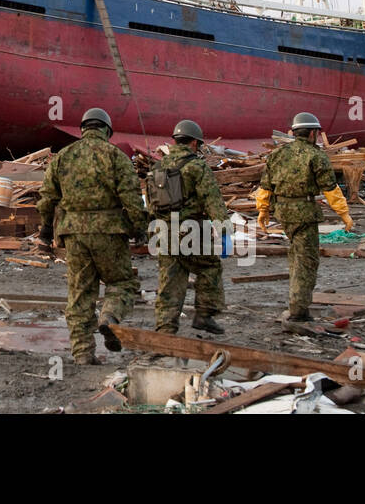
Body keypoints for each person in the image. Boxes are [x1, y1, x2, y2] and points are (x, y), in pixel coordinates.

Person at [37, 107, 146, 364]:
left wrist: (45, 230)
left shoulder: (63, 157)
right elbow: (131, 197)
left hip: (73, 234)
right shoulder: (116, 157)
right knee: (122, 284)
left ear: (83, 128)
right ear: (107, 130)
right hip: (109, 232)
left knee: (80, 294)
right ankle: (109, 318)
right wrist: (139, 228)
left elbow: (47, 198)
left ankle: (83, 354)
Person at [257, 112, 355, 321]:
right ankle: (298, 311)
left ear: (293, 132)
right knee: (306, 261)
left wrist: (263, 210)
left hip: (283, 213)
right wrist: (344, 214)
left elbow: (265, 186)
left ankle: (295, 301)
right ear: (312, 133)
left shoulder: (277, 154)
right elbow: (330, 189)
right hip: (305, 214)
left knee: (295, 255)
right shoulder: (316, 156)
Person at [150, 120, 229, 335]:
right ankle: (204, 315)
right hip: (192, 230)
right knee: (209, 268)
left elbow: (151, 204)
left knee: (170, 277)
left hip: (164, 231)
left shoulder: (159, 165)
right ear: (194, 143)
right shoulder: (197, 166)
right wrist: (224, 232)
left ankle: (165, 327)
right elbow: (212, 200)